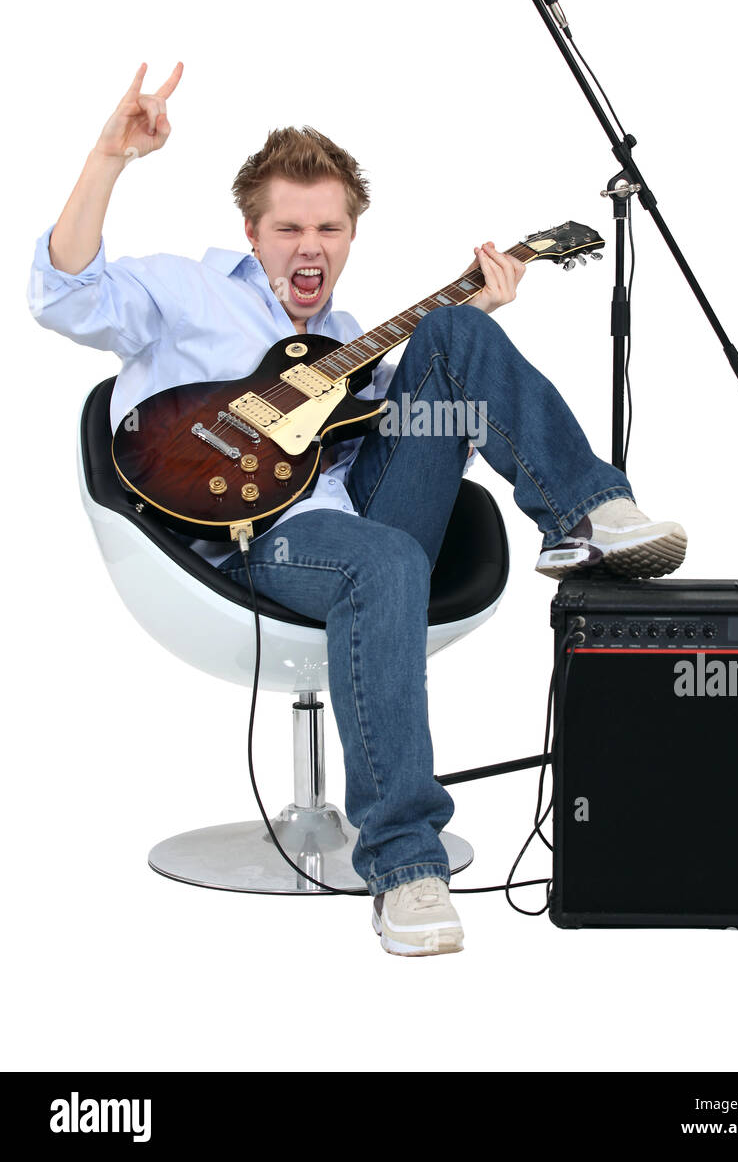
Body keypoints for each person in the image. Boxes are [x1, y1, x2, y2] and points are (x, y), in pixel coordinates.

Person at [28, 62, 687, 957]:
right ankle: (406, 869)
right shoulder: (183, 294)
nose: (311, 245)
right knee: (386, 561)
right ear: (252, 234)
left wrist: (480, 315)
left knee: (453, 338)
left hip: (365, 509)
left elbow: (434, 417)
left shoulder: (346, 346)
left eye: (329, 228)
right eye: (290, 227)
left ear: (349, 236)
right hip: (258, 545)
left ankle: (590, 512)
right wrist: (110, 157)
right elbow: (62, 293)